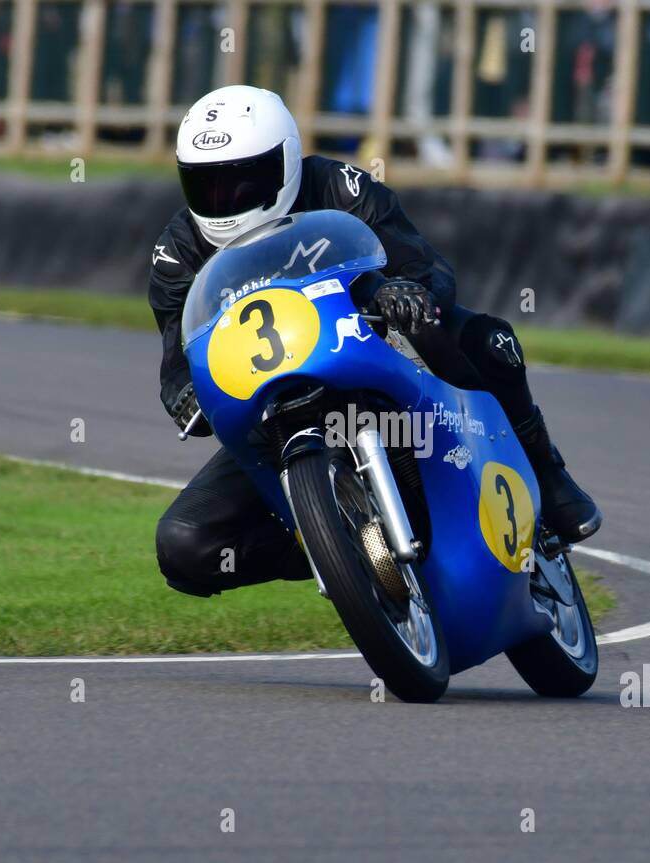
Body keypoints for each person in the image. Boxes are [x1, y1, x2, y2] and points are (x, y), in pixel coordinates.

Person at [151, 85, 601, 597]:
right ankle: (334, 542)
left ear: (285, 162)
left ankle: (547, 472)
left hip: (368, 349)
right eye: (204, 185)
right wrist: (183, 394)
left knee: (490, 339)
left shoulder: (341, 187)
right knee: (185, 545)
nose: (223, 202)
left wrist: (408, 290)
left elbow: (423, 262)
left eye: (240, 182)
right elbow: (176, 355)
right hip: (271, 411)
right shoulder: (176, 252)